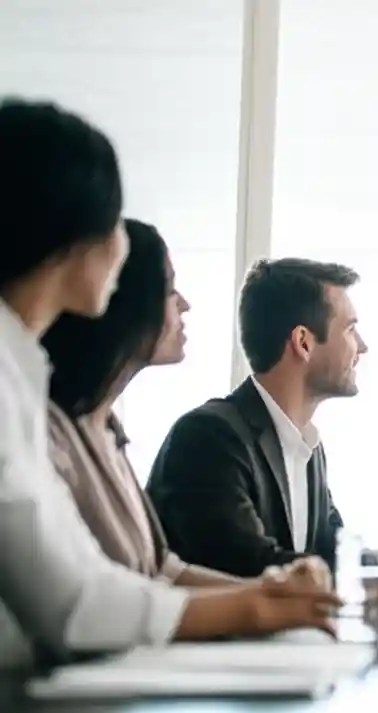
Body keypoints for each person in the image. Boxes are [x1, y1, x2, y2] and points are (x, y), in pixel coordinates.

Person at [0, 97, 337, 669]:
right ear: (69, 233)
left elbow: (127, 572)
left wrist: (266, 596)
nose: (121, 241)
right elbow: (72, 601)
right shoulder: (21, 392)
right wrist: (255, 607)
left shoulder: (23, 378)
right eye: (111, 219)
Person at [42, 219, 329, 589]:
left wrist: (272, 598)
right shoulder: (206, 434)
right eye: (169, 289)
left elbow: (162, 569)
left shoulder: (107, 430)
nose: (185, 304)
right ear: (122, 298)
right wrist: (266, 602)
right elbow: (98, 595)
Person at [147, 258, 378, 588]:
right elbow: (253, 569)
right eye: (349, 329)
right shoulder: (208, 438)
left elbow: (335, 556)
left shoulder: (308, 449)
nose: (362, 346)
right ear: (303, 342)